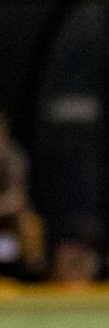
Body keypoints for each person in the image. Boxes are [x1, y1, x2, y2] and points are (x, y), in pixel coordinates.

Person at [0, 113, 47, 281]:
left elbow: (18, 199)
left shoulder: (14, 158)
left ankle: (32, 279)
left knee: (30, 225)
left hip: (8, 222)